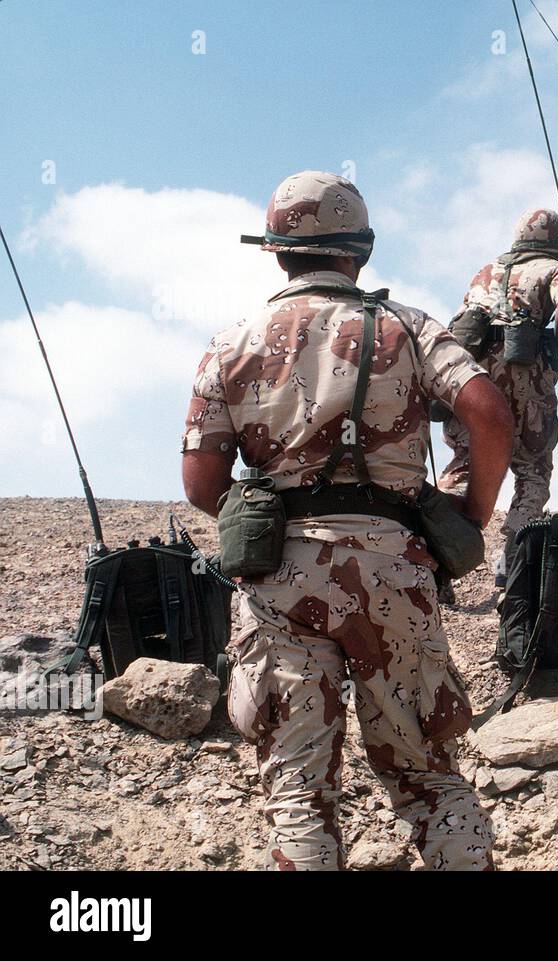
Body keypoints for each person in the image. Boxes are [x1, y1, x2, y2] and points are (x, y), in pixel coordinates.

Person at [182, 170, 513, 870]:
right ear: (358, 251)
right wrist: (470, 515)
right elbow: (488, 412)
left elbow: (201, 481)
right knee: (430, 777)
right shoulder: (407, 326)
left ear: (277, 252)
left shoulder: (231, 342)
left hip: (278, 581)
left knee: (298, 795)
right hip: (397, 569)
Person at [439, 208, 558, 594]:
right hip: (526, 377)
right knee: (533, 466)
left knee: (465, 465)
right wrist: (554, 343)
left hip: (475, 378)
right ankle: (513, 561)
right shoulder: (554, 269)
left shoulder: (486, 271)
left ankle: (437, 564)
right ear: (556, 241)